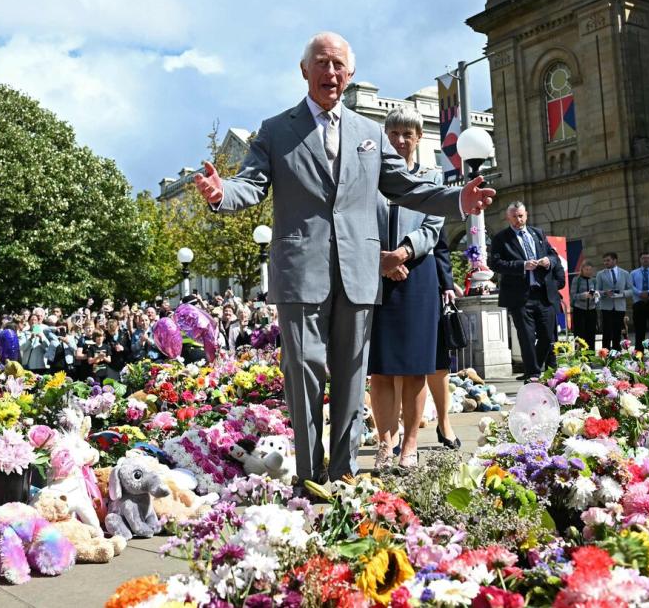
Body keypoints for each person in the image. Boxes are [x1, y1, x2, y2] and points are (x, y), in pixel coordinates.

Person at [192, 31, 494, 489]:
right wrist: (221, 193)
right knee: (305, 372)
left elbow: (407, 187)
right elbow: (249, 185)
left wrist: (458, 199)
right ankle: (310, 477)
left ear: (349, 74)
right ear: (304, 70)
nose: (330, 72)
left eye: (338, 65)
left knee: (354, 376)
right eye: (321, 63)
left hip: (358, 271)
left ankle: (344, 472)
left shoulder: (370, 133)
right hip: (300, 271)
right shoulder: (276, 130)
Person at [367, 106, 446, 472]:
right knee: (380, 368)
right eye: (394, 133)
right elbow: (357, 220)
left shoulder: (432, 175)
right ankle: (385, 440)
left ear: (418, 138)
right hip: (375, 273)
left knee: (416, 367)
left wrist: (403, 251)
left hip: (417, 275)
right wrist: (381, 259)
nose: (400, 140)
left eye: (407, 134)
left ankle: (410, 445)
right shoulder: (370, 177)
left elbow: (433, 225)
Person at [488, 202, 565, 380]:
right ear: (508, 217)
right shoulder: (501, 238)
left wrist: (548, 261)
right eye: (514, 216)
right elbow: (496, 264)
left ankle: (534, 367)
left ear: (526, 215)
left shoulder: (538, 233)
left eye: (521, 216)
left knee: (548, 335)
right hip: (520, 297)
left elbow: (554, 255)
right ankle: (533, 374)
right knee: (526, 337)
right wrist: (522, 266)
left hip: (543, 294)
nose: (518, 220)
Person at [427, 227, 460, 451]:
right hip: (391, 283)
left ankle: (444, 421)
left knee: (439, 361)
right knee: (397, 367)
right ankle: (395, 431)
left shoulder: (426, 200)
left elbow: (441, 248)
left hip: (429, 286)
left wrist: (447, 283)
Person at [595, 252, 632, 351]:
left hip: (620, 306)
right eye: (604, 261)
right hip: (606, 307)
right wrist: (605, 293)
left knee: (617, 332)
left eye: (608, 260)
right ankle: (605, 354)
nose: (605, 263)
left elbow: (631, 290)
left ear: (615, 260)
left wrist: (622, 294)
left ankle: (617, 353)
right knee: (606, 332)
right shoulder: (600, 274)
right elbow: (596, 291)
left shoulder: (625, 273)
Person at [569, 260, 599, 352]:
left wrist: (596, 295)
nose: (589, 271)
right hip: (579, 310)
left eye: (590, 270)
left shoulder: (594, 280)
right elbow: (573, 296)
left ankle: (590, 357)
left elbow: (598, 293)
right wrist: (584, 295)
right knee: (579, 335)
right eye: (586, 269)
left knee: (591, 334)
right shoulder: (576, 280)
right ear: (582, 269)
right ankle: (579, 357)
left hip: (591, 310)